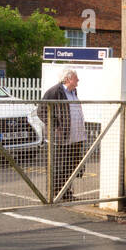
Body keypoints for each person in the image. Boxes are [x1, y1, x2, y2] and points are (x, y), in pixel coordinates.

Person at [41, 68, 85, 201]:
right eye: (75, 78)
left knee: (70, 166)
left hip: (75, 137)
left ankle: (66, 192)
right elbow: (41, 110)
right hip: (60, 138)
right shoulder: (54, 91)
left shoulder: (73, 92)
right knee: (59, 166)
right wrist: (55, 126)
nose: (78, 80)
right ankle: (55, 194)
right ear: (67, 79)